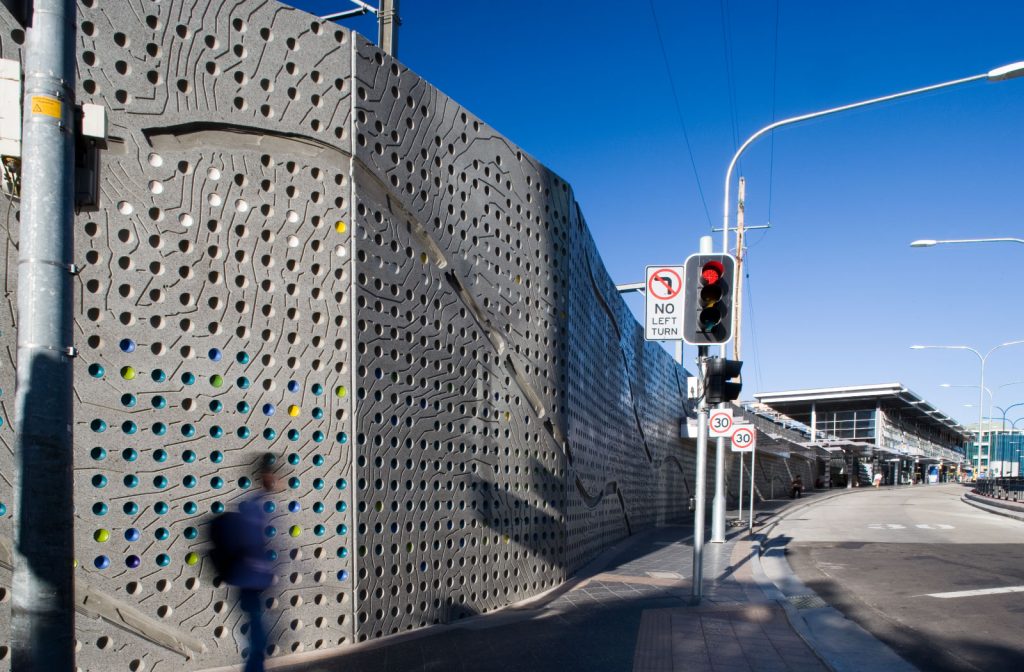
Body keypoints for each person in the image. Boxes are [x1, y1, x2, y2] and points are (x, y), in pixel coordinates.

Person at [231, 454, 277, 672]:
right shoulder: (254, 506)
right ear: (264, 477)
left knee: (259, 638)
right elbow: (251, 546)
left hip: (255, 581)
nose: (276, 480)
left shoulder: (259, 505)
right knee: (258, 640)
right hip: (251, 582)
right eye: (272, 475)